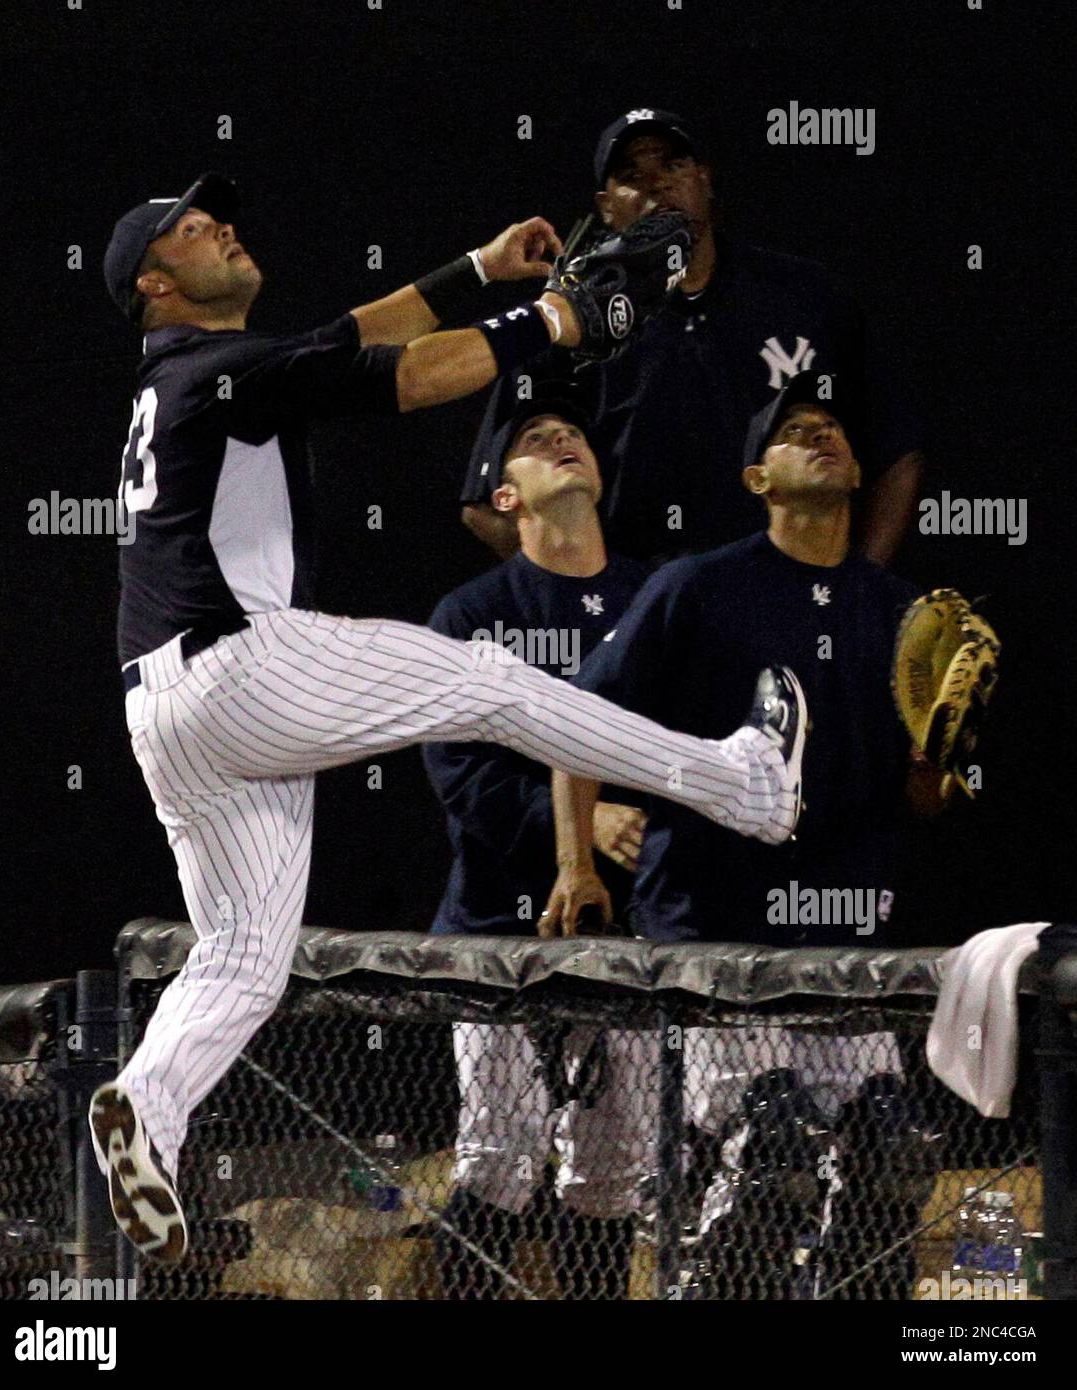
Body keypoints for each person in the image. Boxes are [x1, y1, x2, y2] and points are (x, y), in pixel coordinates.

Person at [87, 172, 808, 1264]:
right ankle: (742, 783)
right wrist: (553, 319)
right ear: (154, 283)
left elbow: (345, 340)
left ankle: (146, 1103)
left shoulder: (195, 378)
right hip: (239, 666)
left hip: (164, 711)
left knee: (240, 954)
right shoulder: (214, 371)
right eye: (193, 227)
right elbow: (409, 376)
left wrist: (472, 273)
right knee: (489, 681)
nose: (224, 226)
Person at [543, 370, 949, 1296]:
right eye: (795, 430)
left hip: (849, 944)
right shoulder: (699, 586)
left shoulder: (902, 615)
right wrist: (576, 860)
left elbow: (922, 804)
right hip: (717, 933)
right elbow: (574, 719)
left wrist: (939, 758)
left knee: (889, 1158)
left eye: (833, 429)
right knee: (764, 1156)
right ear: (757, 480)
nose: (822, 437)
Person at [461, 108, 924, 568]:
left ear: (705, 178)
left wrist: (857, 591)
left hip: (785, 603)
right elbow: (483, 505)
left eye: (674, 165)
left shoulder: (804, 297)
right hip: (638, 613)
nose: (656, 183)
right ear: (606, 207)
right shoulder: (570, 318)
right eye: (631, 174)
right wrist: (587, 600)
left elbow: (896, 455)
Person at [422, 386, 652, 1299]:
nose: (562, 441)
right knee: (496, 1157)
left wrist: (635, 828)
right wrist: (581, 823)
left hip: (631, 932)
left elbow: (703, 749)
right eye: (533, 441)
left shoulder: (655, 593)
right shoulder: (471, 614)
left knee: (610, 1169)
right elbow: (459, 775)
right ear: (502, 496)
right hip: (495, 928)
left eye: (572, 435)